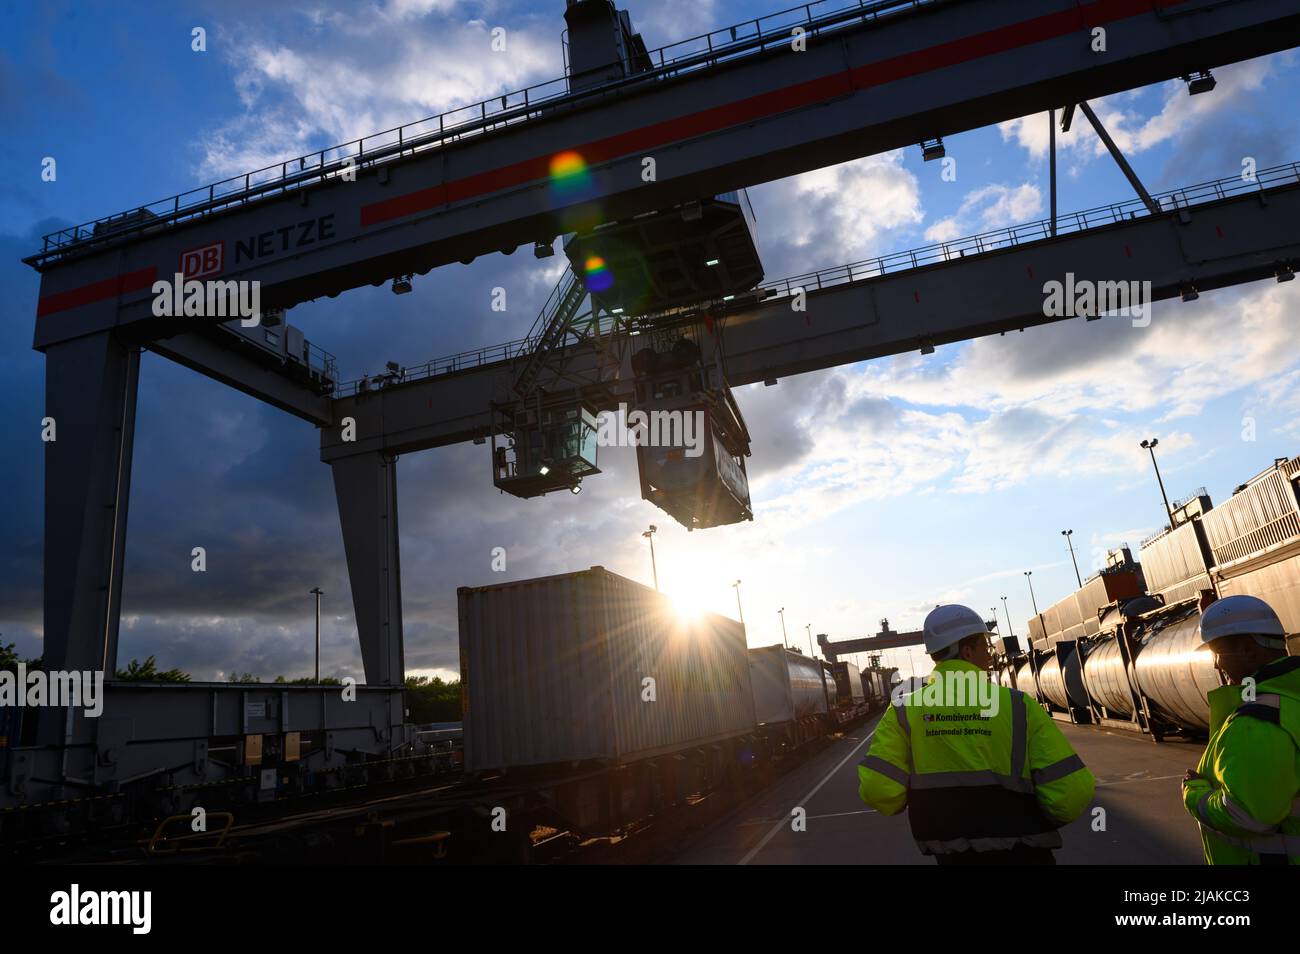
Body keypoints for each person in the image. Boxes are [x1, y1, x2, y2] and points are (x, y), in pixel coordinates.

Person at [858, 604, 1095, 864]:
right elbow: (1072, 791)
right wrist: (1036, 820)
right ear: (967, 651)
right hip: (1026, 853)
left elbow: (878, 789)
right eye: (985, 646)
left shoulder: (904, 711)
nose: (990, 654)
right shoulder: (1018, 705)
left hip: (953, 858)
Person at [1182, 594, 1299, 865]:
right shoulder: (1291, 699)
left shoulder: (1259, 720)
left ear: (1247, 649)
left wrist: (1194, 792)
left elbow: (1246, 816)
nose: (1215, 665)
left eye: (1216, 653)